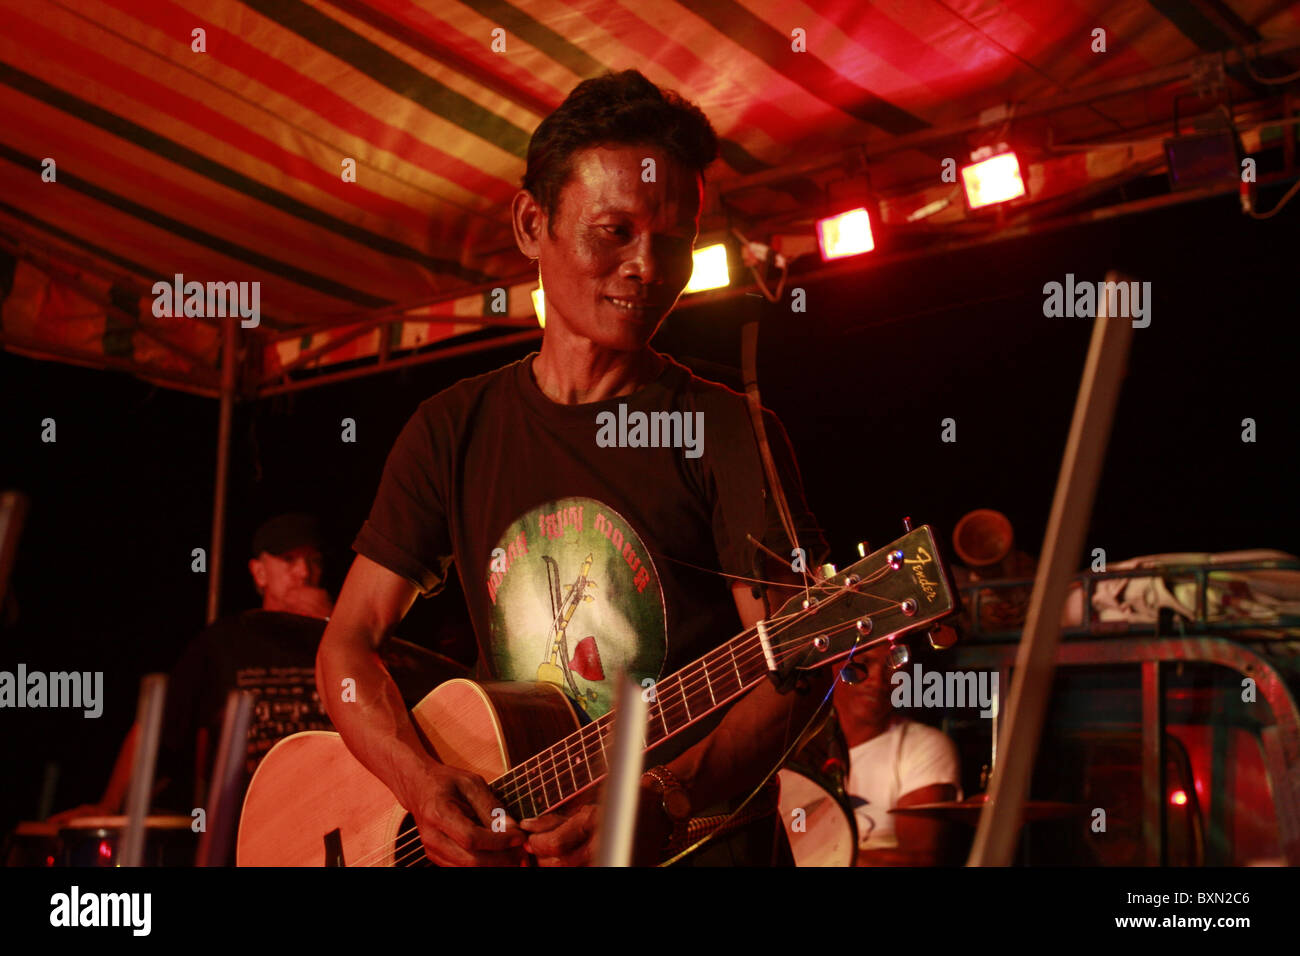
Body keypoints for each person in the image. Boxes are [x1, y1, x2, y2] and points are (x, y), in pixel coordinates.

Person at [317, 69, 830, 867]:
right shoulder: (453, 427)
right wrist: (419, 783)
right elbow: (346, 644)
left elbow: (795, 669)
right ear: (532, 222)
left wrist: (665, 796)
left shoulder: (725, 429)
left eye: (672, 242)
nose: (646, 268)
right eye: (614, 231)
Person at [834, 644, 964, 866]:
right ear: (832, 666)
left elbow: (921, 861)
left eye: (893, 663)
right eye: (864, 662)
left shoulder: (923, 746)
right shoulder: (791, 747)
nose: (878, 679)